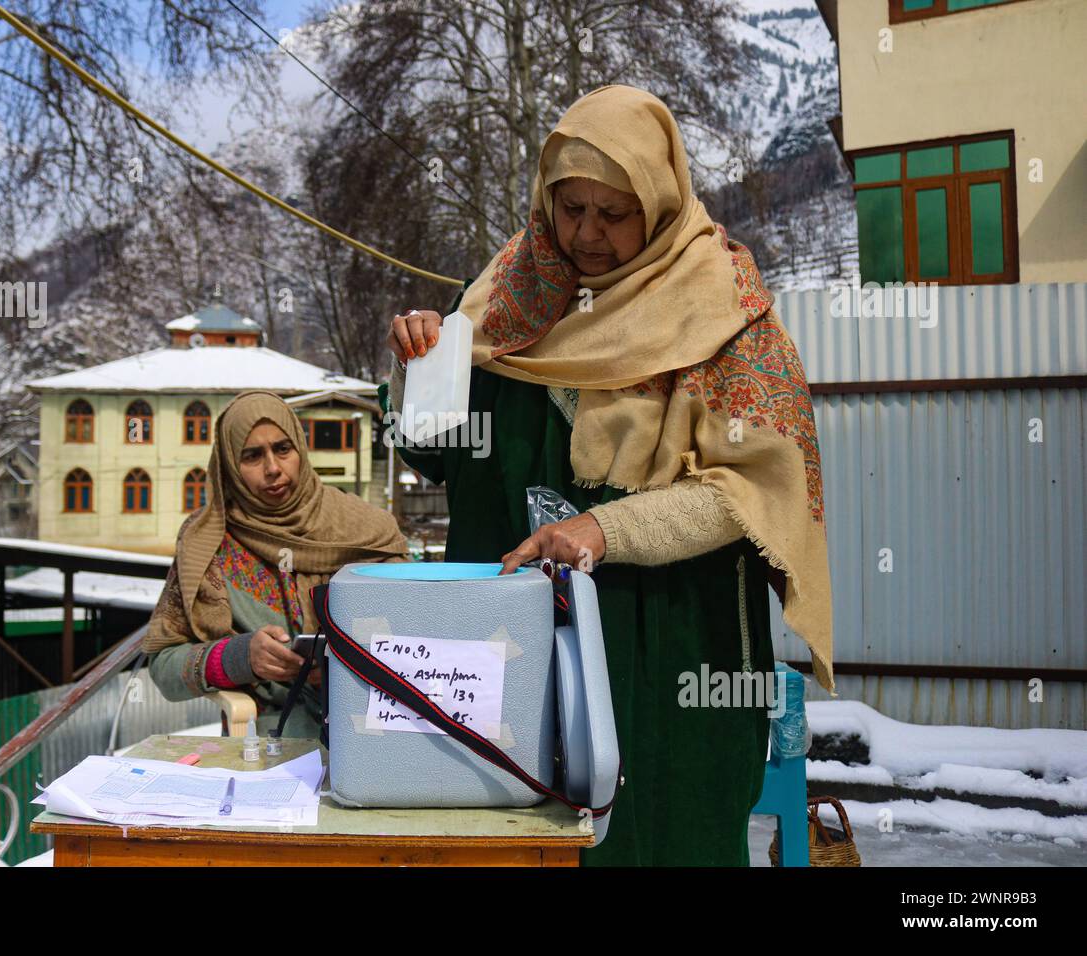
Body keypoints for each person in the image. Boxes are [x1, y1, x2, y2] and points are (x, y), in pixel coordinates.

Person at [380, 85, 835, 866]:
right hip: (511, 645)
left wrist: (604, 530)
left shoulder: (723, 312)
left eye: (613, 213)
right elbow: (432, 450)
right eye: (570, 208)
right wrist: (419, 369)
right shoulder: (503, 297)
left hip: (667, 654)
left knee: (660, 840)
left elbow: (753, 495)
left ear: (656, 205)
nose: (586, 234)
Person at [142, 389, 411, 737]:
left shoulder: (366, 529)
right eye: (252, 456)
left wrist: (343, 662)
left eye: (283, 450)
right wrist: (238, 658)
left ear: (300, 448)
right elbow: (164, 667)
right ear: (229, 466)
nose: (272, 469)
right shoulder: (208, 543)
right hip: (274, 739)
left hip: (381, 721)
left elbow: (415, 633)